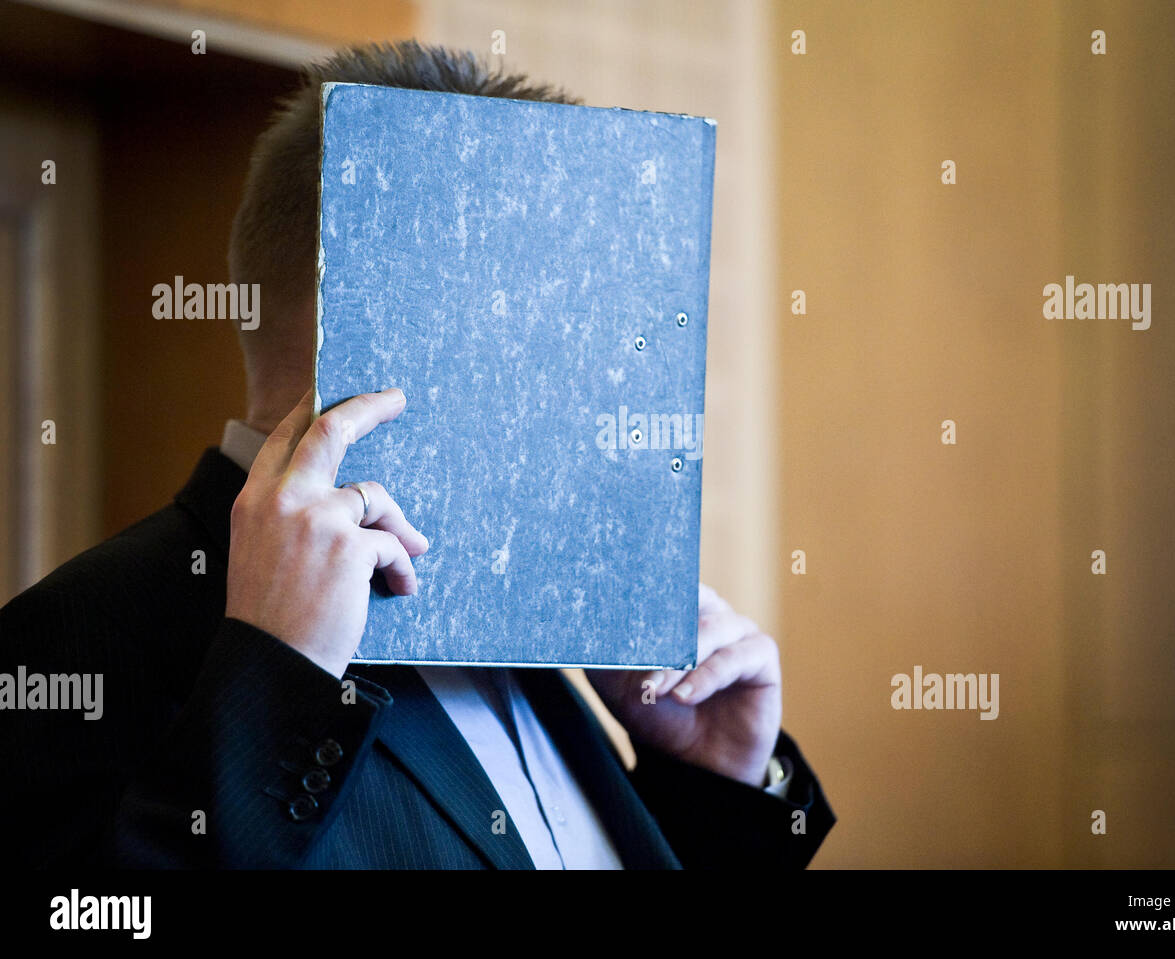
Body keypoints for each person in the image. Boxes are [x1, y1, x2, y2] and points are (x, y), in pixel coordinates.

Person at [0, 40, 834, 869]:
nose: (611, 366)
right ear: (390, 290)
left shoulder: (524, 622)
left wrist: (716, 786)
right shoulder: (69, 642)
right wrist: (274, 684)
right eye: (564, 303)